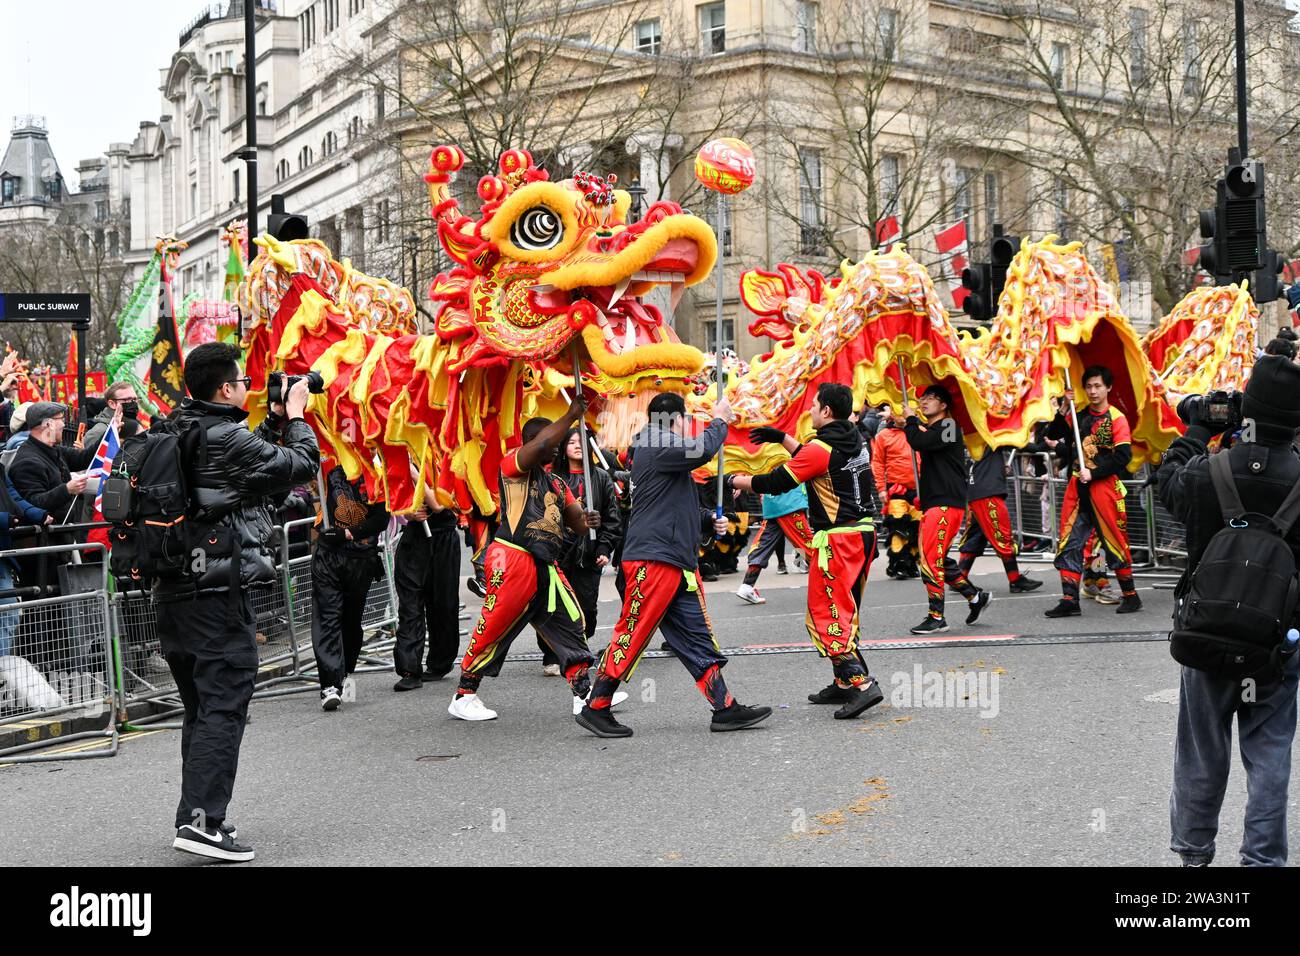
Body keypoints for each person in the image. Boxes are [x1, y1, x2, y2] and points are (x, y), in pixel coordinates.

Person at [151, 343, 320, 862]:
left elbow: (244, 474)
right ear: (225, 389)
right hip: (217, 598)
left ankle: (194, 817)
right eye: (242, 381)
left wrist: (270, 424)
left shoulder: (177, 429)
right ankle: (205, 824)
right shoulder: (224, 436)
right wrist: (294, 417)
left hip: (175, 594)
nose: (249, 387)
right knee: (224, 706)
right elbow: (301, 464)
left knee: (202, 709)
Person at [1158, 355, 1300, 866]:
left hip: (1206, 637)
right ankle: (1262, 860)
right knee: (1270, 756)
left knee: (1201, 753)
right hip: (1277, 646)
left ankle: (1195, 857)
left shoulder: (1207, 472)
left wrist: (1197, 426)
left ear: (1248, 412)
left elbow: (1165, 479)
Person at [576, 391, 771, 738]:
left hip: (672, 559)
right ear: (676, 419)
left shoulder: (659, 449)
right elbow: (703, 449)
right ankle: (597, 705)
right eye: (685, 421)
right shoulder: (656, 440)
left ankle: (724, 708)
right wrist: (720, 419)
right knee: (632, 633)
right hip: (654, 559)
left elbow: (675, 505)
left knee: (695, 636)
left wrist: (708, 520)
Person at [730, 383, 884, 718]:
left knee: (825, 614)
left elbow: (778, 481)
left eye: (814, 405)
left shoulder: (820, 448)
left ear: (826, 411)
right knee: (845, 611)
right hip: (863, 535)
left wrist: (737, 481)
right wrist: (781, 438)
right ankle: (843, 684)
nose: (810, 410)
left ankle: (860, 684)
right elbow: (816, 459)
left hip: (839, 541)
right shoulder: (853, 437)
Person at [449, 398, 602, 721]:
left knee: (571, 619)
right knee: (494, 627)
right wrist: (571, 414)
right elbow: (546, 441)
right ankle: (464, 695)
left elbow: (575, 522)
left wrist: (588, 519)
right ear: (533, 441)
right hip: (512, 558)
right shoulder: (512, 466)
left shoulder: (558, 483)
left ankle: (583, 693)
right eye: (553, 440)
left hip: (545, 563)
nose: (558, 446)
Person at [1043, 365, 1142, 617]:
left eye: (1098, 386)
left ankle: (1131, 595)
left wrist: (1095, 472)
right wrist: (1064, 408)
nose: (1093, 391)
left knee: (1113, 540)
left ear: (1108, 387)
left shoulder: (1116, 418)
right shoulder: (1077, 415)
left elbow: (1123, 457)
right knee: (1070, 541)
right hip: (1077, 487)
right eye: (1088, 386)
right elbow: (1053, 434)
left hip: (1104, 487)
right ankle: (1069, 599)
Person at [902, 385, 991, 634]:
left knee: (930, 560)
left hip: (946, 503)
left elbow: (920, 441)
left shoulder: (950, 426)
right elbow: (923, 437)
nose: (925, 401)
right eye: (924, 398)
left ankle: (936, 616)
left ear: (944, 405)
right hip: (935, 502)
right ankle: (975, 598)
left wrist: (910, 419)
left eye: (932, 398)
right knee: (937, 558)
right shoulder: (934, 429)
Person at [543, 429, 622, 674]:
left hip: (589, 556)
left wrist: (604, 547)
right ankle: (553, 656)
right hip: (557, 554)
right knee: (554, 606)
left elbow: (612, 518)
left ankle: (578, 650)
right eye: (572, 441)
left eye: (582, 442)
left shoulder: (600, 477)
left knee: (587, 607)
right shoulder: (552, 478)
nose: (577, 446)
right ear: (563, 446)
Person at [311, 466, 389, 711]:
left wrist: (347, 533)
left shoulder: (376, 472)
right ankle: (329, 685)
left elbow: (381, 519)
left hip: (360, 559)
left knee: (351, 621)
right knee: (328, 617)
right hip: (328, 557)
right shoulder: (327, 466)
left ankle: (344, 674)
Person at [392, 470, 462, 692]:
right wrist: (408, 514)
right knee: (410, 605)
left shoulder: (447, 456)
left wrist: (414, 473)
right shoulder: (399, 457)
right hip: (414, 539)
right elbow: (390, 499)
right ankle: (409, 669)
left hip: (444, 538)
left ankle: (441, 661)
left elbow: (439, 504)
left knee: (443, 604)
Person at [956, 446, 1041, 592]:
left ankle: (959, 579)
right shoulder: (989, 434)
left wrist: (999, 470)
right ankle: (1015, 579)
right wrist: (1043, 446)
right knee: (1002, 535)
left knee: (975, 536)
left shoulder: (973, 437)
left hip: (977, 491)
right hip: (987, 493)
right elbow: (1016, 441)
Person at [735, 480, 812, 605]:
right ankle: (831, 584)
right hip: (789, 501)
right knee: (808, 546)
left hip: (772, 502)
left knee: (762, 545)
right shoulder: (786, 459)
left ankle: (747, 586)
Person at [871, 408, 921, 578]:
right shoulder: (884, 435)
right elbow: (877, 463)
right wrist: (881, 489)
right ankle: (899, 563)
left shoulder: (920, 432)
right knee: (898, 526)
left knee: (916, 528)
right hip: (896, 488)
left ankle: (912, 563)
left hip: (918, 490)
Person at [82, 382, 138, 452]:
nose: (133, 403)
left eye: (135, 399)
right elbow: (88, 460)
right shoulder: (99, 432)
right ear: (112, 404)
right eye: (127, 399)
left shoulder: (134, 427)